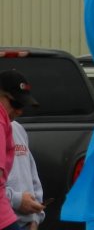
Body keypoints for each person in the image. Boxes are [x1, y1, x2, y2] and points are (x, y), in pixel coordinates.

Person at [0, 71, 43, 230]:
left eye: (22, 105)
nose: (19, 111)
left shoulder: (18, 130)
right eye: (16, 104)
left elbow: (32, 177)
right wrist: (17, 200)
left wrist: (36, 218)